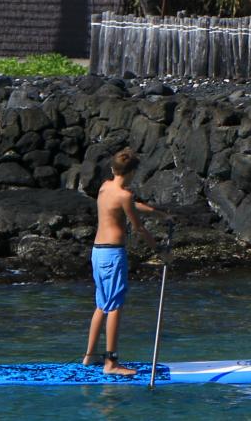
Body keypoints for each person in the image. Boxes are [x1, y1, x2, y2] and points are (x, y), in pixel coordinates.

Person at [82, 148, 159, 375]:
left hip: (97, 252)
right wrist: (160, 251)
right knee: (115, 307)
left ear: (113, 169)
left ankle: (89, 356)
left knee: (102, 304)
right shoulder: (124, 195)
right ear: (133, 172)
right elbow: (138, 227)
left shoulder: (105, 187)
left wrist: (157, 213)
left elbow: (130, 205)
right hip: (113, 254)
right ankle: (111, 364)